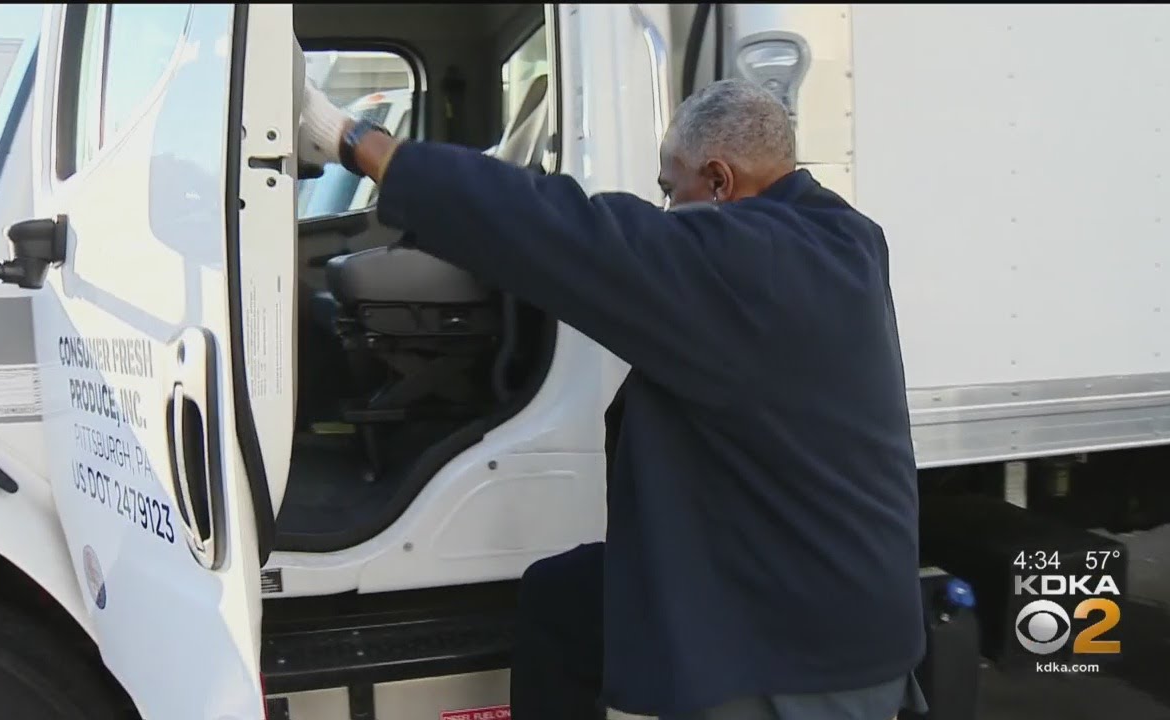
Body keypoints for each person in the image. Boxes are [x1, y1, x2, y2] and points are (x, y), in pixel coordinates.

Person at [298, 77, 929, 720]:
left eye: (667, 188)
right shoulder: (841, 238)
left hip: (795, 647)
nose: (663, 207)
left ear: (718, 183)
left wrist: (347, 138)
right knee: (562, 599)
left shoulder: (744, 264)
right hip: (812, 572)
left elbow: (559, 229)